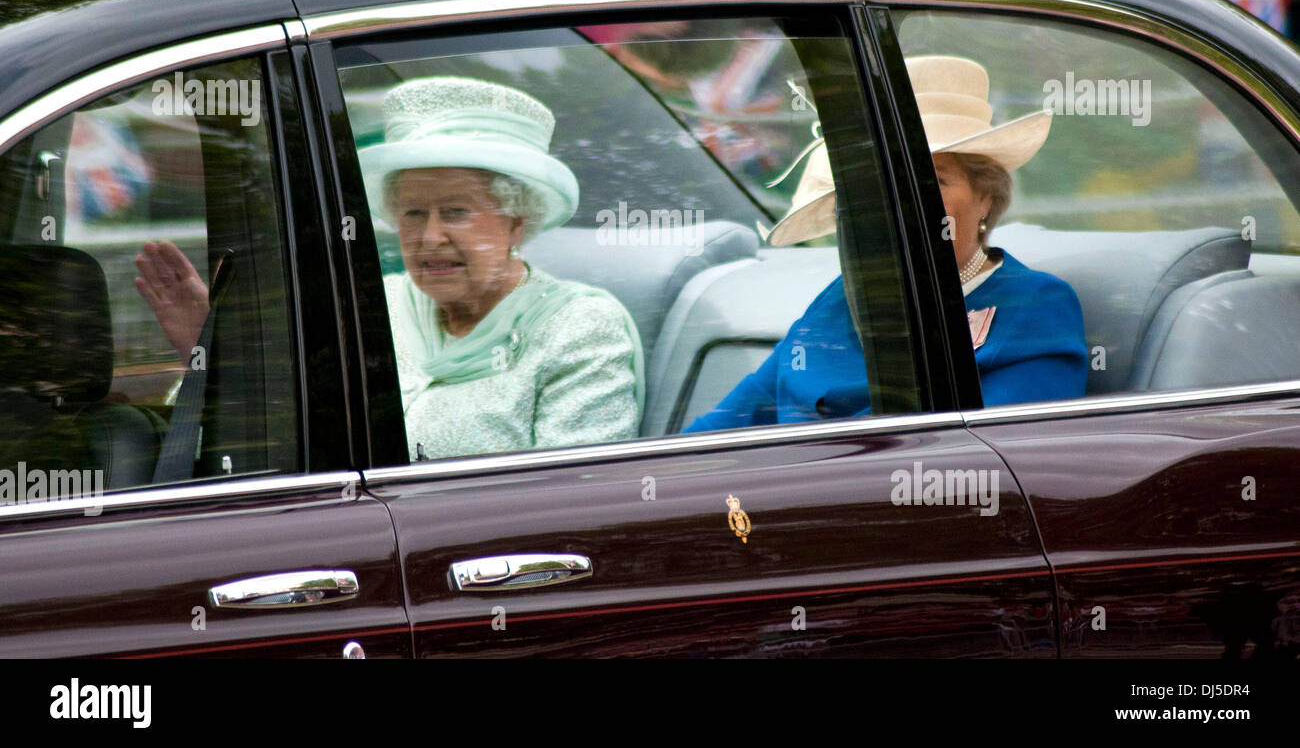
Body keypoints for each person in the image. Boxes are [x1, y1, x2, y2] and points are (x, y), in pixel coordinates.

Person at [683, 54, 1088, 432]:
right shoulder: (839, 299)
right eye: (875, 181)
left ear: (985, 198)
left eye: (934, 180)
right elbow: (718, 432)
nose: (900, 201)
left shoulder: (1034, 307)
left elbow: (998, 462)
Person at [359, 76, 644, 460]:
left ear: (516, 221)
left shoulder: (576, 328)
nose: (430, 237)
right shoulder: (375, 304)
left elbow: (574, 497)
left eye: (456, 211)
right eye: (413, 212)